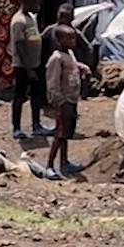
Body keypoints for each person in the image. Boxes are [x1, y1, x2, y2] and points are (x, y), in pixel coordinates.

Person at [39, 26, 91, 180]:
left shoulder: (69, 55)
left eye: (73, 38)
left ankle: (64, 162)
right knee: (59, 134)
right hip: (64, 101)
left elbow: (72, 66)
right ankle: (49, 166)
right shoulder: (56, 58)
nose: (73, 41)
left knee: (66, 133)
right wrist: (58, 100)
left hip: (72, 99)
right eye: (69, 38)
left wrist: (82, 68)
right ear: (59, 40)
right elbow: (52, 82)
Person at [9, 0, 48, 139]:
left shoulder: (30, 18)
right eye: (36, 3)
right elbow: (19, 45)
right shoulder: (19, 21)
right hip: (23, 66)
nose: (38, 7)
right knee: (19, 97)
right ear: (28, 2)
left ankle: (37, 125)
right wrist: (28, 69)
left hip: (35, 63)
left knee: (36, 96)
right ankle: (17, 128)